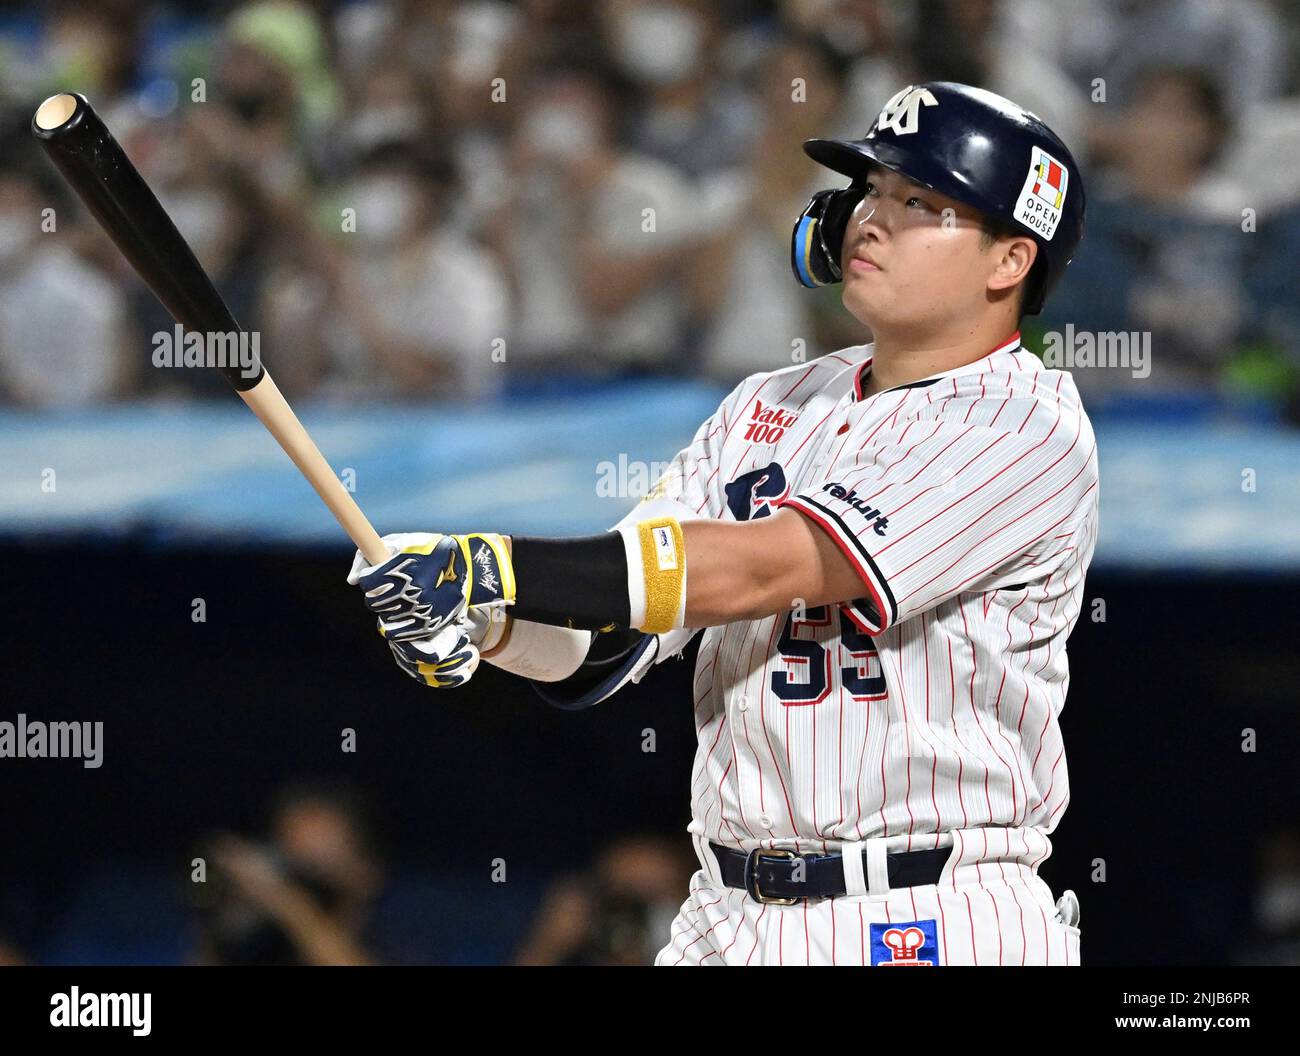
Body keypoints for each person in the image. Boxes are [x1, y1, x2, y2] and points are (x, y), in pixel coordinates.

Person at [347, 82, 1097, 966]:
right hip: (726, 913)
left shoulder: (1023, 422)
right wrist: (487, 624)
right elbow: (609, 643)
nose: (871, 218)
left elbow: (765, 567)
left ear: (1010, 261)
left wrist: (490, 564)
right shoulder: (764, 405)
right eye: (872, 191)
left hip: (927, 910)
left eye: (921, 203)